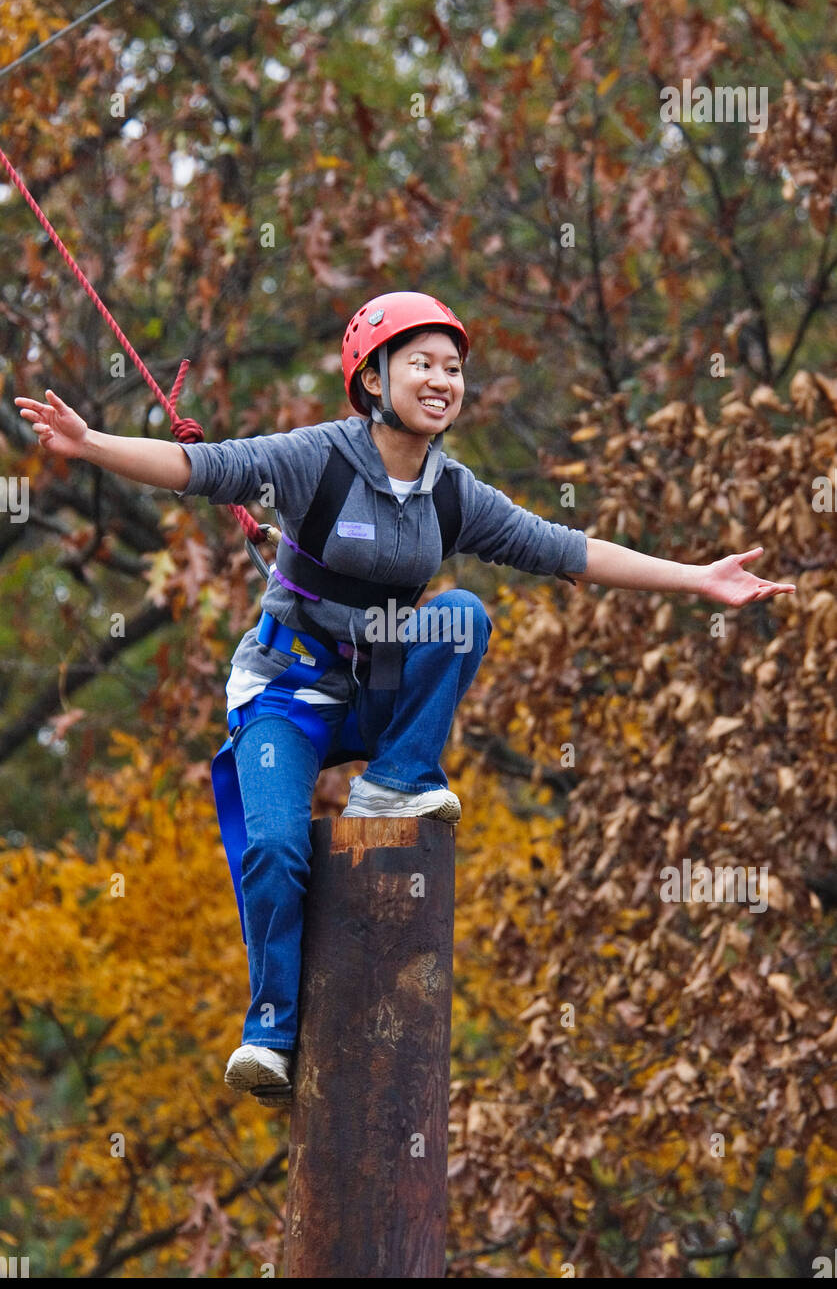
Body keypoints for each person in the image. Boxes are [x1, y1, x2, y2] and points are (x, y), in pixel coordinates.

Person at [14, 290, 795, 1105]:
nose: (440, 380)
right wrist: (93, 444)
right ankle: (271, 1029)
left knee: (460, 615)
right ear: (372, 379)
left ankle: (394, 783)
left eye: (452, 368)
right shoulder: (316, 457)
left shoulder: (450, 494)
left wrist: (696, 580)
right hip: (285, 693)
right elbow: (201, 468)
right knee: (278, 848)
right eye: (419, 363)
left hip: (374, 689)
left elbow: (567, 549)